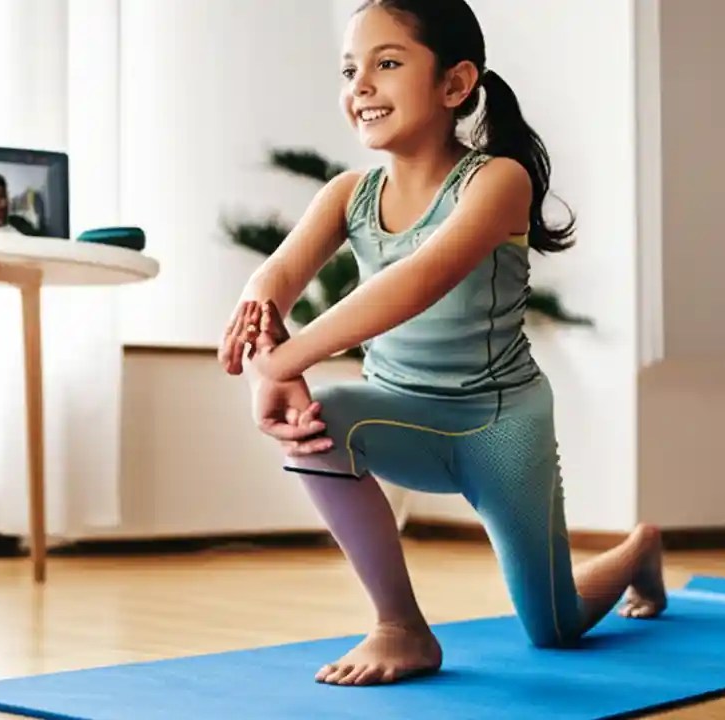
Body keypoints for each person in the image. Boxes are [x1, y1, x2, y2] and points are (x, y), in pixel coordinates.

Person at [218, 0, 667, 688]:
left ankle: (637, 550)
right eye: (350, 69)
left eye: (387, 63)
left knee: (557, 627)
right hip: (407, 418)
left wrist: (288, 357)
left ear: (456, 85)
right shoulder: (348, 194)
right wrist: (263, 363)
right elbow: (275, 274)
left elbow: (416, 279)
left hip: (499, 427)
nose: (360, 84)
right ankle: (399, 626)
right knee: (317, 425)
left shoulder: (496, 182)